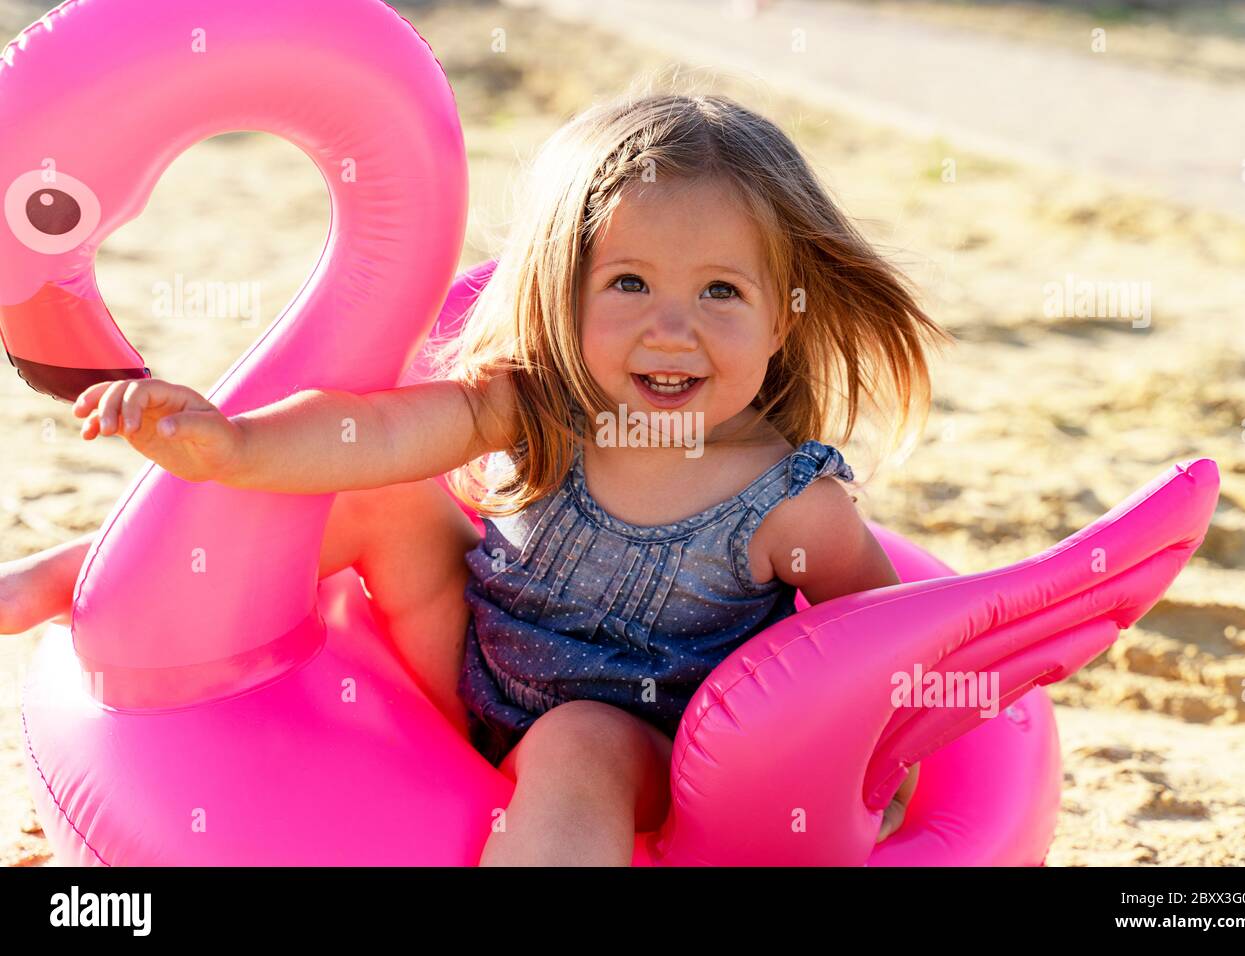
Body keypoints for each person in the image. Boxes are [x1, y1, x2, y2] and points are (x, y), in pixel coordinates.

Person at [1, 90, 951, 865]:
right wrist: (232, 444)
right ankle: (99, 575)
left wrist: (876, 770)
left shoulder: (788, 502)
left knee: (581, 738)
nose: (673, 327)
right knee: (382, 490)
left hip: (647, 749)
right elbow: (371, 433)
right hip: (468, 677)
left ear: (780, 321)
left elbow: (870, 648)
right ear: (560, 292)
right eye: (628, 284)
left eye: (721, 291)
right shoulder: (536, 403)